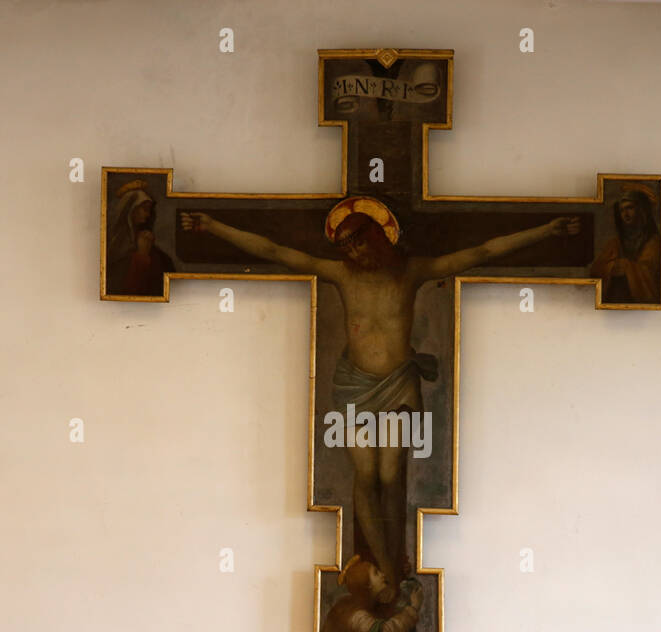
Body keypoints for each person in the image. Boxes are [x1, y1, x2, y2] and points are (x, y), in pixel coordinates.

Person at [182, 199, 579, 598]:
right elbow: (275, 252)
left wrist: (546, 231)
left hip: (398, 385)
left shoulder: (411, 272)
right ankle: (387, 570)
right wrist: (213, 226)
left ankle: (392, 559)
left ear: (378, 236)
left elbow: (481, 252)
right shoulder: (340, 274)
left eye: (359, 242)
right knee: (365, 475)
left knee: (391, 475)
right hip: (354, 385)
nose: (354, 253)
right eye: (347, 247)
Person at [590, 184, 660, 303]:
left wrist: (627, 266)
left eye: (630, 208)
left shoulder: (654, 242)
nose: (625, 214)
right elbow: (595, 270)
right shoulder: (615, 243)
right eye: (622, 210)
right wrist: (612, 267)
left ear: (641, 210)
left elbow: (649, 273)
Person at [106, 180, 176, 296]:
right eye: (144, 209)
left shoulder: (143, 236)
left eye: (149, 210)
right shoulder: (115, 240)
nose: (148, 215)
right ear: (131, 209)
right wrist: (141, 255)